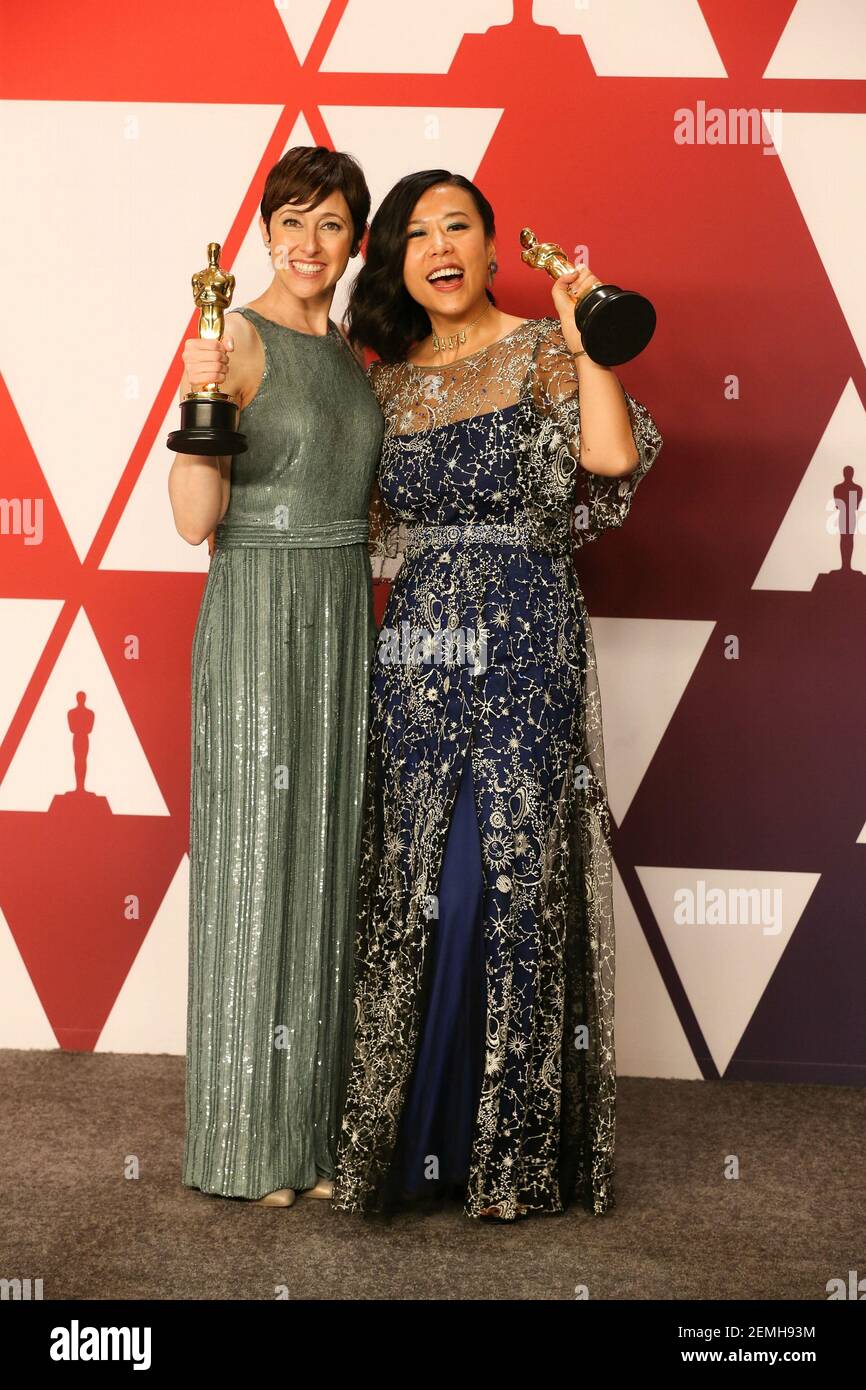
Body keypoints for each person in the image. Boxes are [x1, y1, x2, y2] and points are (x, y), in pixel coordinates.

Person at [331, 170, 663, 1222]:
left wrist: (580, 332)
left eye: (457, 227)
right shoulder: (382, 385)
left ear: (487, 246)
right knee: (419, 873)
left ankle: (507, 1151)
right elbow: (342, 508)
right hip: (421, 643)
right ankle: (418, 1139)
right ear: (397, 263)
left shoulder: (538, 349)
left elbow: (609, 456)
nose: (438, 245)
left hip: (526, 635)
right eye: (415, 233)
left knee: (504, 875)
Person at [168, 145, 384, 1208]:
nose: (309, 244)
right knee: (257, 862)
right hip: (258, 612)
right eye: (291, 221)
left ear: (353, 241)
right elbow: (194, 522)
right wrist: (201, 407)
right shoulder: (231, 338)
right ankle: (246, 1145)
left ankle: (307, 1138)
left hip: (343, 612)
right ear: (261, 231)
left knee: (323, 863)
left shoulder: (347, 352)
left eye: (332, 224)